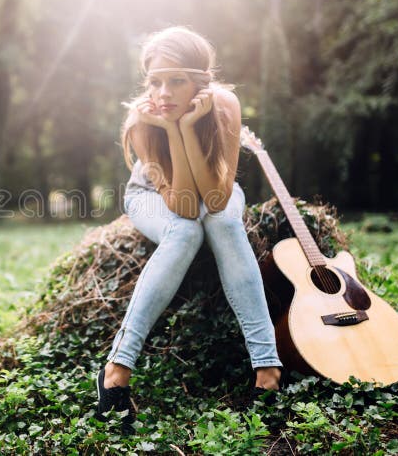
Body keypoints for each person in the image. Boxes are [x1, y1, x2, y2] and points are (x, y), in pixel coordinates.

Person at [95, 26, 282, 430]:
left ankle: (268, 372)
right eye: (155, 81)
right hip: (152, 195)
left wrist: (188, 130)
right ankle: (115, 370)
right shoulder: (144, 118)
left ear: (201, 81)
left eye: (176, 81)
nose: (162, 93)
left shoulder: (225, 106)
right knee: (185, 231)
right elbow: (181, 205)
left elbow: (213, 199)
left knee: (226, 224)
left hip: (216, 184)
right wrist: (172, 129)